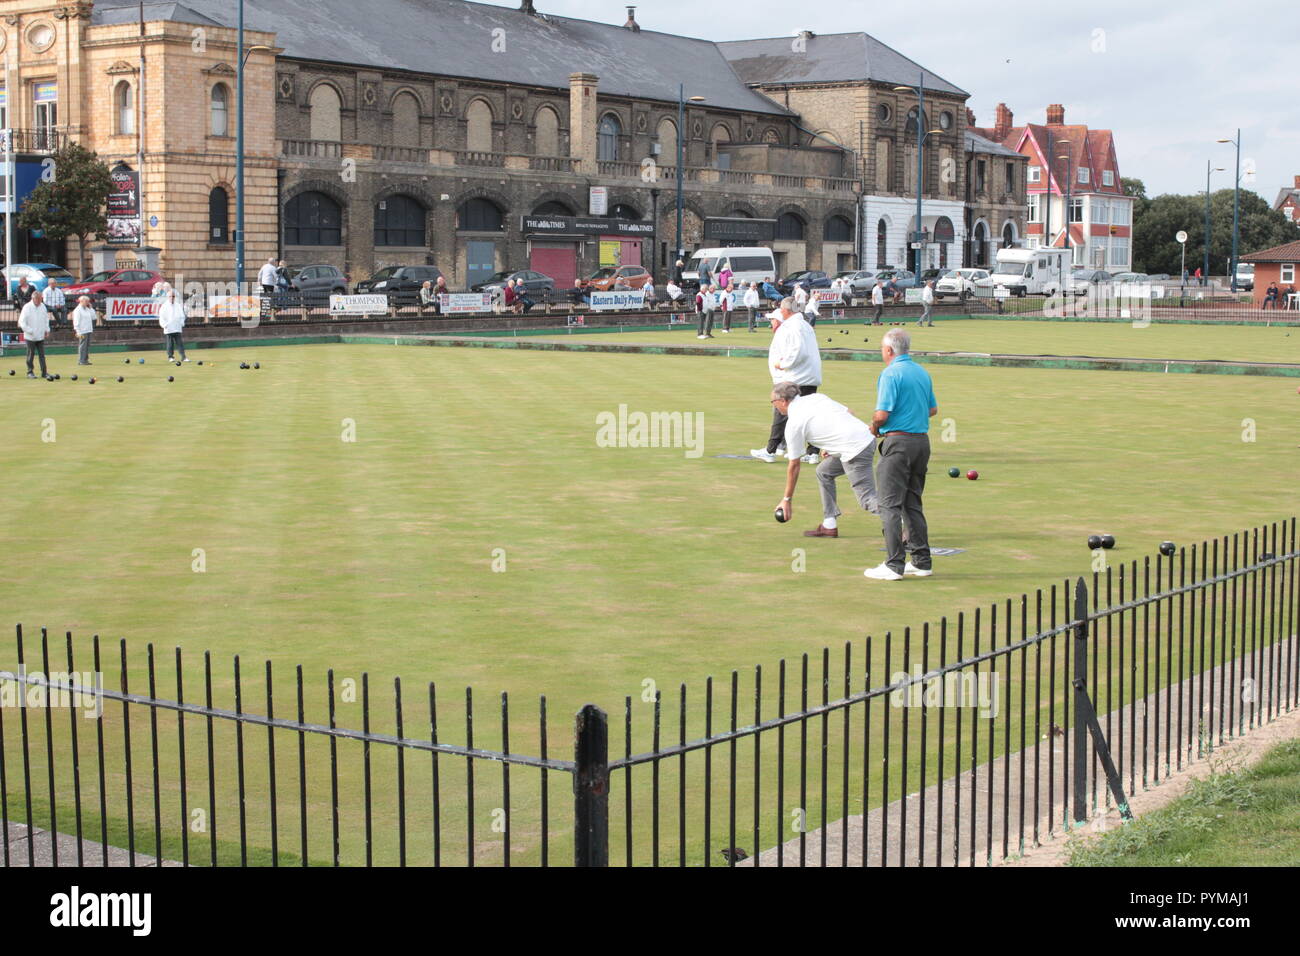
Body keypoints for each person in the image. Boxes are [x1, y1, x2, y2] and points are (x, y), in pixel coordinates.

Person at [864, 327, 937, 581]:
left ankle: (894, 564)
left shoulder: (890, 373)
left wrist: (874, 427)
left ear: (888, 350)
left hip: (898, 444)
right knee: (912, 503)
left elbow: (881, 414)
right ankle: (921, 561)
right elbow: (932, 410)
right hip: (921, 443)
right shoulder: (921, 371)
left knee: (889, 504)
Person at [768, 382, 878, 539]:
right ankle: (829, 524)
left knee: (867, 499)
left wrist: (786, 499)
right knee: (823, 472)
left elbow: (794, 465)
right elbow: (849, 413)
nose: (774, 406)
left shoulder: (793, 423)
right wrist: (831, 446)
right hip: (866, 438)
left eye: (773, 402)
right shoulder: (816, 397)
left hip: (855, 449)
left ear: (783, 401)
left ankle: (904, 520)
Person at [750, 297, 821, 464]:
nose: (780, 312)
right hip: (808, 376)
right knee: (806, 416)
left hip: (795, 378)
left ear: (786, 310)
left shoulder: (793, 326)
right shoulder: (804, 325)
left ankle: (771, 450)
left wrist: (782, 364)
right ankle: (812, 452)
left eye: (781, 309)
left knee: (781, 412)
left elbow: (799, 351)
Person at [18, 289, 51, 379]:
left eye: (41, 299)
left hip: (40, 335)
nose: (41, 301)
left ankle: (44, 372)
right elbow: (22, 322)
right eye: (39, 299)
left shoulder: (43, 306)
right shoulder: (27, 307)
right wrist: (30, 331)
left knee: (42, 355)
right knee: (30, 354)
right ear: (34, 298)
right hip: (30, 336)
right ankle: (30, 372)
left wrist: (47, 330)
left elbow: (46, 319)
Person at [159, 288, 189, 362]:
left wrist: (181, 323)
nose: (172, 298)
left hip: (177, 327)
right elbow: (162, 317)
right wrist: (164, 325)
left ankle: (183, 357)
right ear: (167, 297)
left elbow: (182, 315)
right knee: (170, 343)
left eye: (173, 296)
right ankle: (170, 357)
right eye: (170, 296)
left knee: (180, 343)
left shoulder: (178, 305)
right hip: (169, 328)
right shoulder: (164, 306)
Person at [71, 294, 97, 365]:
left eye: (88, 301)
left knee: (87, 345)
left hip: (88, 330)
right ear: (81, 301)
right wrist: (78, 331)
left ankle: (85, 360)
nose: (88, 303)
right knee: (82, 345)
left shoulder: (87, 309)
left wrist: (91, 308)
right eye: (86, 301)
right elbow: (76, 321)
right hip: (82, 331)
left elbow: (94, 317)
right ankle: (81, 360)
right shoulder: (77, 310)